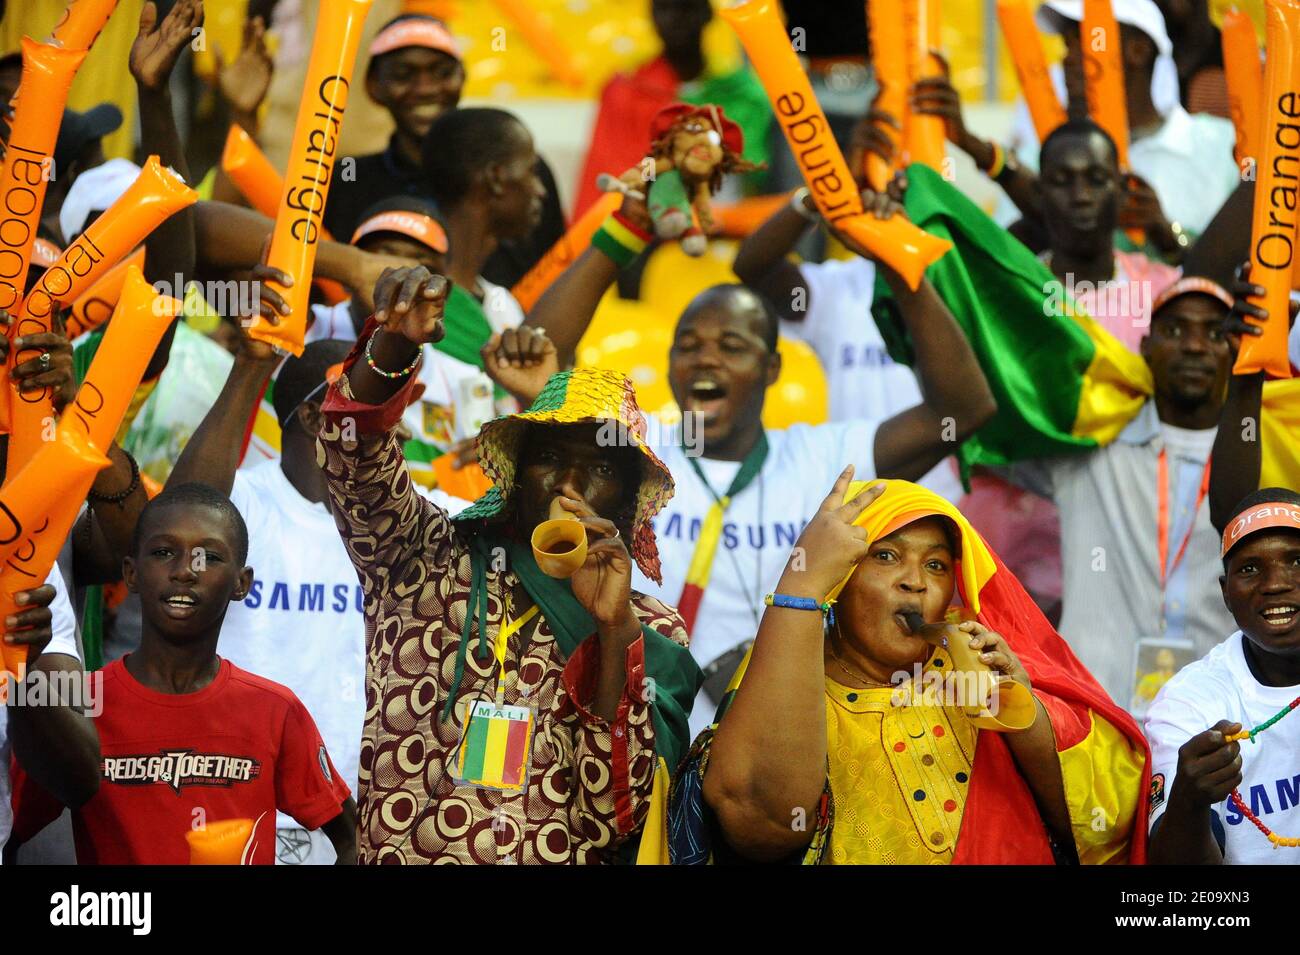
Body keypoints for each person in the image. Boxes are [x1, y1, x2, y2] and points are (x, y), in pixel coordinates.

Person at [525, 188, 997, 736]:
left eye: (731, 345)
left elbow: (962, 409)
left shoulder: (822, 460)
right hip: (638, 730)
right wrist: (622, 233)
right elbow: (540, 361)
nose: (706, 357)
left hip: (766, 737)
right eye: (688, 344)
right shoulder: (636, 446)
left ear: (772, 368)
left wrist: (897, 270)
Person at [314, 266, 702, 863]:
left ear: (626, 502)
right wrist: (393, 343)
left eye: (600, 470)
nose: (568, 482)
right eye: (548, 457)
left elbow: (618, 817)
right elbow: (352, 457)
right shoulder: (424, 557)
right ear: (517, 474)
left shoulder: (649, 627)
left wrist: (613, 629)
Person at [671, 474, 1149, 864]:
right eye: (886, 556)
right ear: (840, 576)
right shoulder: (787, 670)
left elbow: (1109, 826)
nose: (915, 582)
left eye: (937, 566)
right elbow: (761, 828)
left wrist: (1023, 713)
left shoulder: (978, 665)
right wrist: (802, 590)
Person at [166, 271, 466, 863]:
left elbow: (531, 529)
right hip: (240, 807)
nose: (393, 420)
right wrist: (252, 363)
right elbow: (182, 517)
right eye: (369, 404)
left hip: (378, 815)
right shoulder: (246, 503)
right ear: (311, 418)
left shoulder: (421, 519)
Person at [12, 484, 358, 865]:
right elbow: (9, 832)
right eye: (163, 553)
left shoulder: (275, 710)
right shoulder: (80, 708)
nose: (184, 572)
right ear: (131, 573)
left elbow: (351, 837)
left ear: (242, 583)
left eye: (208, 557)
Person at [1005, 277, 1240, 707]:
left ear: (1236, 351)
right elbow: (989, 399)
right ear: (1145, 347)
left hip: (1222, 715)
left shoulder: (1258, 457)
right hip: (1092, 713)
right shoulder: (1089, 444)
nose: (1194, 346)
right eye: (1174, 330)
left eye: (1215, 333)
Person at [320, 13, 564, 289]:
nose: (425, 88)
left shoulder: (522, 172)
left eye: (442, 72)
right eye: (403, 75)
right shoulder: (345, 180)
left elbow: (554, 272)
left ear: (462, 77)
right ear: (374, 85)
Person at [1146, 488, 1300, 863]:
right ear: (1226, 594)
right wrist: (1189, 801)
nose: (1275, 583)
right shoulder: (1189, 701)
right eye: (1249, 569)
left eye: (1296, 561)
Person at [999, 0, 1238, 241]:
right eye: (1066, 45)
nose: (1068, 59)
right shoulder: (1040, 157)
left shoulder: (1221, 147)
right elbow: (1004, 253)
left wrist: (1168, 234)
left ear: (1138, 50)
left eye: (1085, 40)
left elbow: (1243, 257)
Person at [572, 0, 771, 218]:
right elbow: (619, 170)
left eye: (686, 8)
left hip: (727, 225)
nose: (675, 20)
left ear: (707, 15)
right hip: (645, 226)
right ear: (652, 16)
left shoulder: (742, 94)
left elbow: (752, 174)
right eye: (664, 9)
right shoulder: (627, 90)